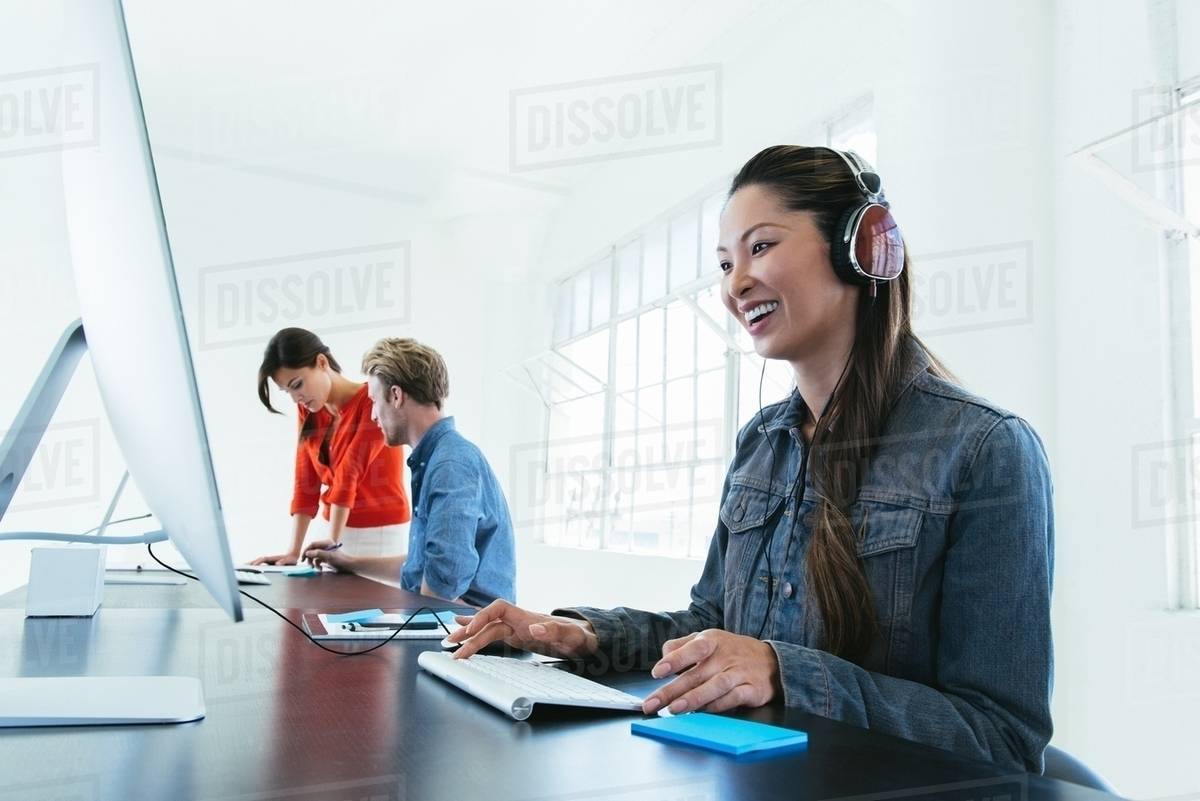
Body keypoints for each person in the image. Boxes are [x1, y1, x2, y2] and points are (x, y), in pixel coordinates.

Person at [449, 145, 1054, 773]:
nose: (735, 284)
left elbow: (1001, 736)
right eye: (724, 262)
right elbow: (712, 623)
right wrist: (579, 634)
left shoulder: (986, 449)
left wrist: (781, 669)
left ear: (862, 247)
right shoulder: (762, 441)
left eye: (761, 247)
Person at [305, 338, 516, 607]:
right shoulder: (437, 457)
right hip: (452, 626)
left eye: (373, 401)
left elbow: (440, 592)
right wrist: (347, 562)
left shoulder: (450, 465)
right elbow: (423, 567)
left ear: (396, 395)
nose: (372, 415)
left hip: (465, 637)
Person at [250, 328, 410, 565]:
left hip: (378, 533)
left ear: (322, 362)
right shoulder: (310, 408)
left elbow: (349, 475)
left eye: (297, 384)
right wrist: (293, 552)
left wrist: (333, 544)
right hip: (331, 525)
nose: (296, 398)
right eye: (287, 391)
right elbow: (305, 480)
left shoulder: (372, 400)